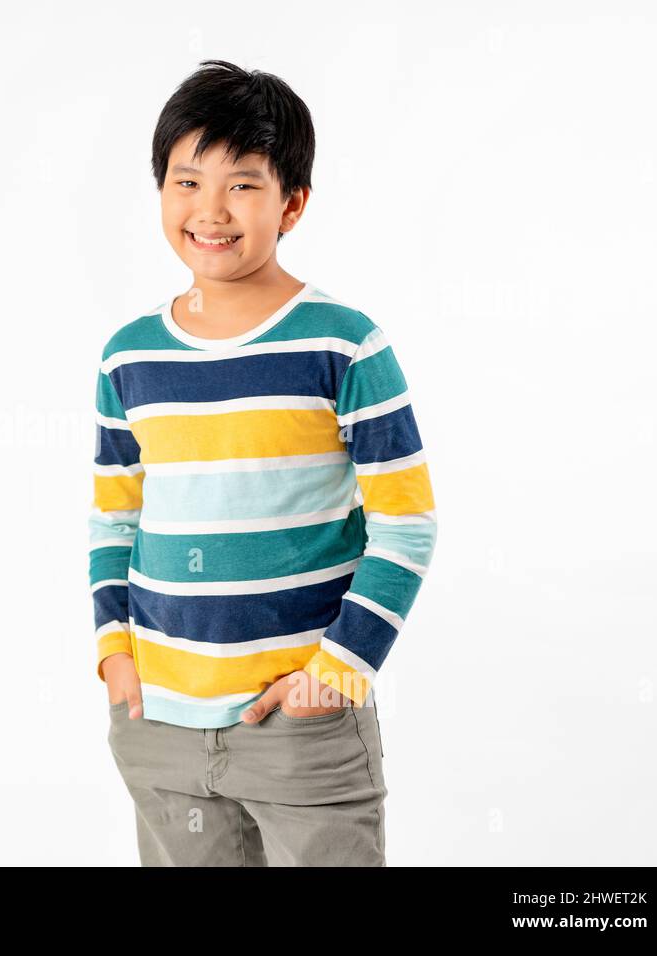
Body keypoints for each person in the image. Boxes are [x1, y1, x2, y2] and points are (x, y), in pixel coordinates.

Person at [89, 59, 438, 866]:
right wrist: (115, 658)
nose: (210, 210)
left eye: (242, 185)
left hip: (300, 730)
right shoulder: (127, 358)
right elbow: (114, 517)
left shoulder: (343, 343)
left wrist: (338, 673)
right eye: (186, 181)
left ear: (293, 203)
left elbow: (407, 527)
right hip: (162, 729)